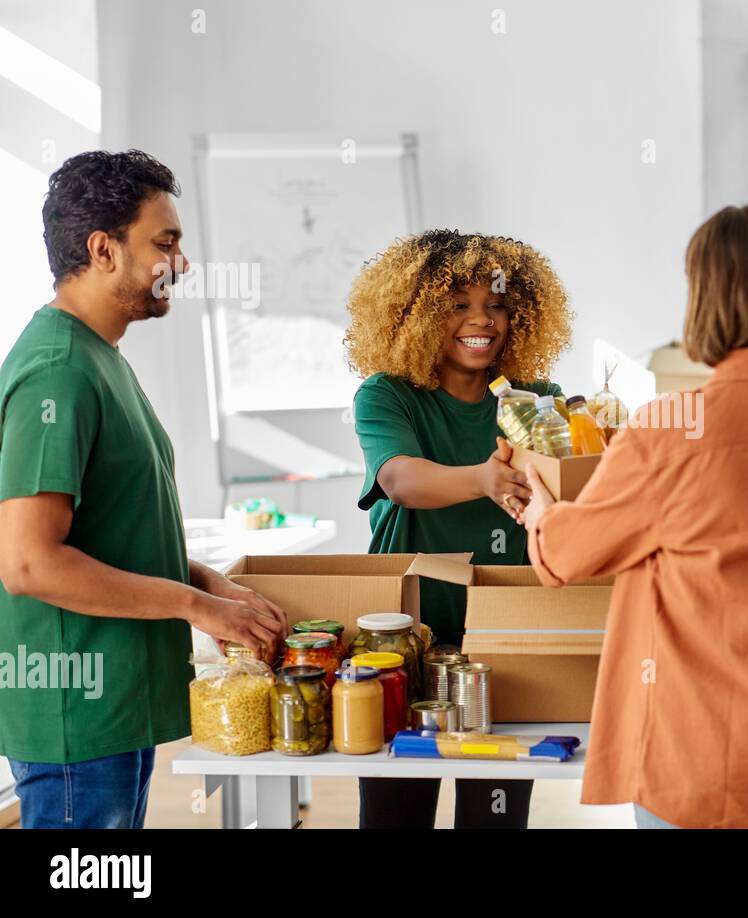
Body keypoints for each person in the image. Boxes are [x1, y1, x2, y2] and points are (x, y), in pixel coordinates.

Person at [521, 204, 748, 829]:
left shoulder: (670, 431)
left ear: (705, 301)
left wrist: (542, 510)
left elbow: (569, 555)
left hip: (708, 769)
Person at [0, 150, 287, 829]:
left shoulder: (101, 358)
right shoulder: (57, 373)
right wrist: (197, 608)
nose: (180, 264)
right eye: (165, 243)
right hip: (79, 713)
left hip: (113, 707)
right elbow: (29, 562)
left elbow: (113, 531)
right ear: (103, 249)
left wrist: (217, 589)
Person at [345, 229, 571, 829]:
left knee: (494, 813)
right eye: (458, 304)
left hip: (503, 635)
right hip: (406, 637)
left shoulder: (537, 400)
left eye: (497, 304)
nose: (483, 320)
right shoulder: (387, 395)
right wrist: (485, 479)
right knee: (397, 812)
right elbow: (399, 479)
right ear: (416, 315)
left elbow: (569, 494)